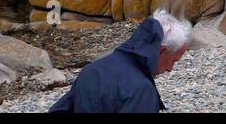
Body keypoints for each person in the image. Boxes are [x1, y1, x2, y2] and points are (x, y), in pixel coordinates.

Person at [48, 9, 191, 113]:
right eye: (173, 61)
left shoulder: (92, 70)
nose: (170, 69)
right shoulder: (141, 90)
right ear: (161, 51)